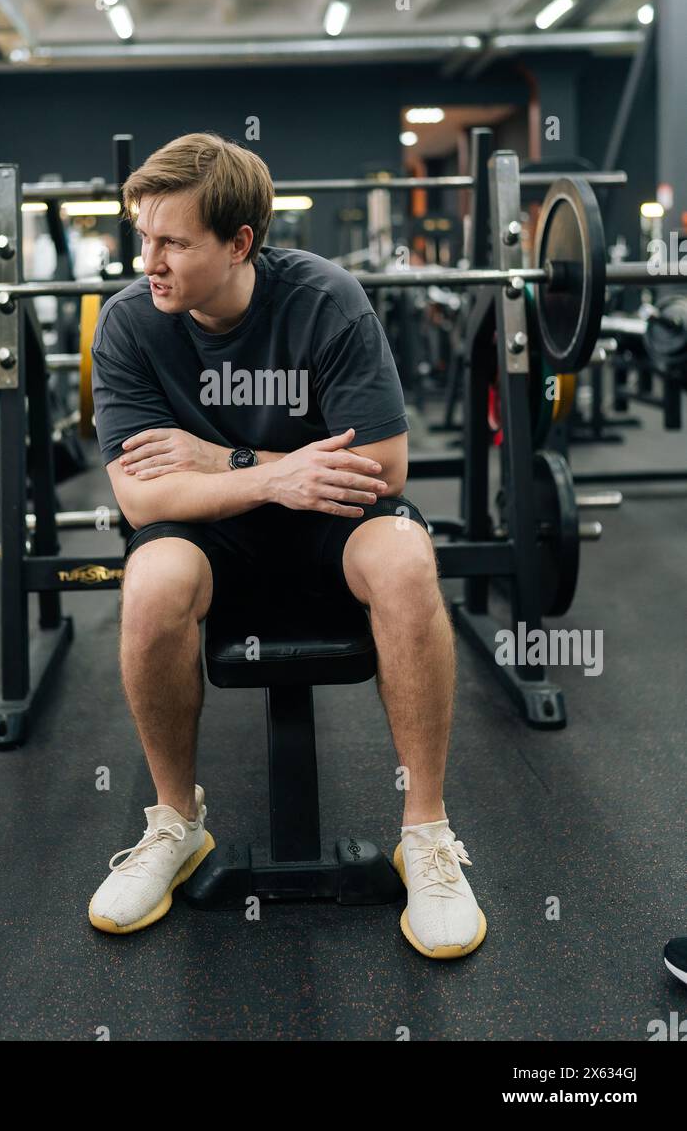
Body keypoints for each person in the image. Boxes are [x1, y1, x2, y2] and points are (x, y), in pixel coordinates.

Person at [88, 132, 486, 959]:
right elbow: (138, 496)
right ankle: (175, 825)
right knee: (153, 575)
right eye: (143, 239)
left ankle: (428, 837)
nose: (148, 261)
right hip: (210, 540)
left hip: (328, 531)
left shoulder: (325, 299)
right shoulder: (130, 324)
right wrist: (267, 475)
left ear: (240, 243)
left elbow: (381, 466)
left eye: (171, 242)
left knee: (408, 557)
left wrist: (218, 459)